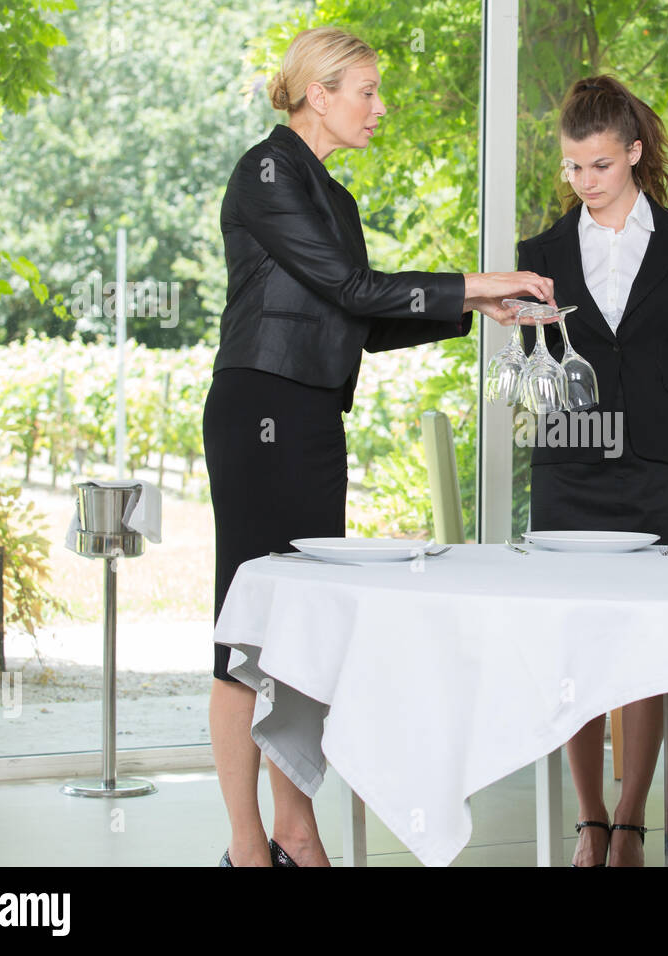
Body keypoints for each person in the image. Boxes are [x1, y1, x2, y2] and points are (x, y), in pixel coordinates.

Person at [205, 26, 554, 867]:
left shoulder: (335, 197)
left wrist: (475, 308)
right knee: (247, 628)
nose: (379, 107)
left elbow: (359, 321)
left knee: (304, 626)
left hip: (315, 418)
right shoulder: (268, 171)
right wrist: (479, 283)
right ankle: (250, 845)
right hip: (263, 410)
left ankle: (296, 829)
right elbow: (350, 286)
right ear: (317, 94)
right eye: (365, 90)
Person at [516, 75, 668, 866]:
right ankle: (590, 818)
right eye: (573, 167)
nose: (584, 182)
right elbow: (535, 366)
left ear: (633, 153)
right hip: (569, 470)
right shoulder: (538, 255)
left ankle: (632, 817)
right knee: (574, 646)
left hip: (658, 471)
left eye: (599, 166)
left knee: (651, 645)